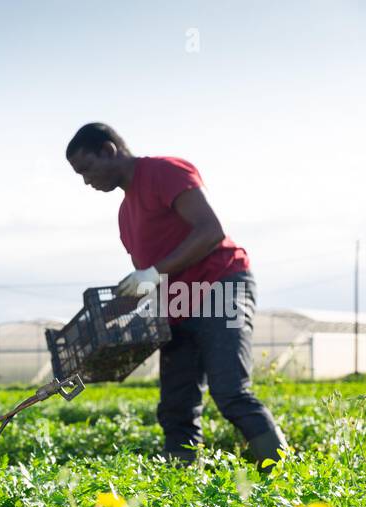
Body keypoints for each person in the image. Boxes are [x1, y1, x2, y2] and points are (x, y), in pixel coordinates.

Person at [65, 122, 287, 470]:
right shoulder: (126, 216)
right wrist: (101, 323)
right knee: (176, 404)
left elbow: (211, 232)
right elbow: (146, 283)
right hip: (179, 302)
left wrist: (153, 274)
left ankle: (286, 478)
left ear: (108, 151)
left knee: (230, 391)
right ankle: (181, 484)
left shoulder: (163, 172)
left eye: (87, 169)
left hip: (220, 287)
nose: (86, 181)